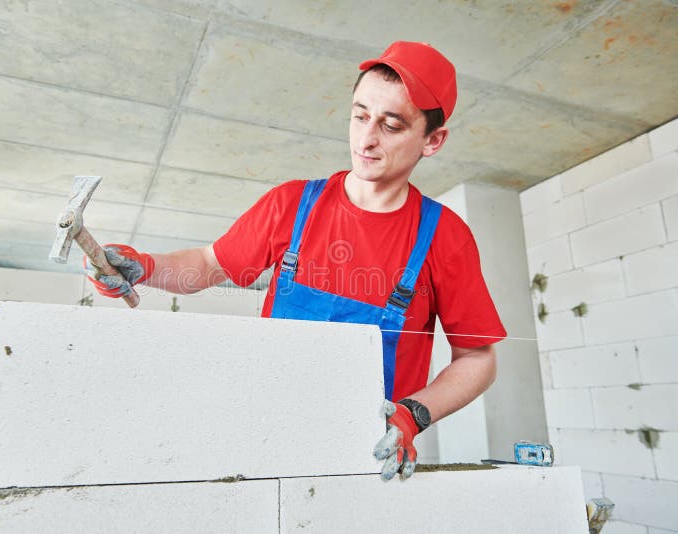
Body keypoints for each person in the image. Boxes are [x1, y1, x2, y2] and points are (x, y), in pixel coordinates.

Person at [85, 41, 507, 481]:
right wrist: (145, 267)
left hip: (367, 463)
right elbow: (208, 264)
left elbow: (478, 359)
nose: (366, 139)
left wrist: (412, 414)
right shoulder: (292, 204)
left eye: (391, 125)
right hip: (262, 439)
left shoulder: (444, 237)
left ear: (433, 140)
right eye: (360, 116)